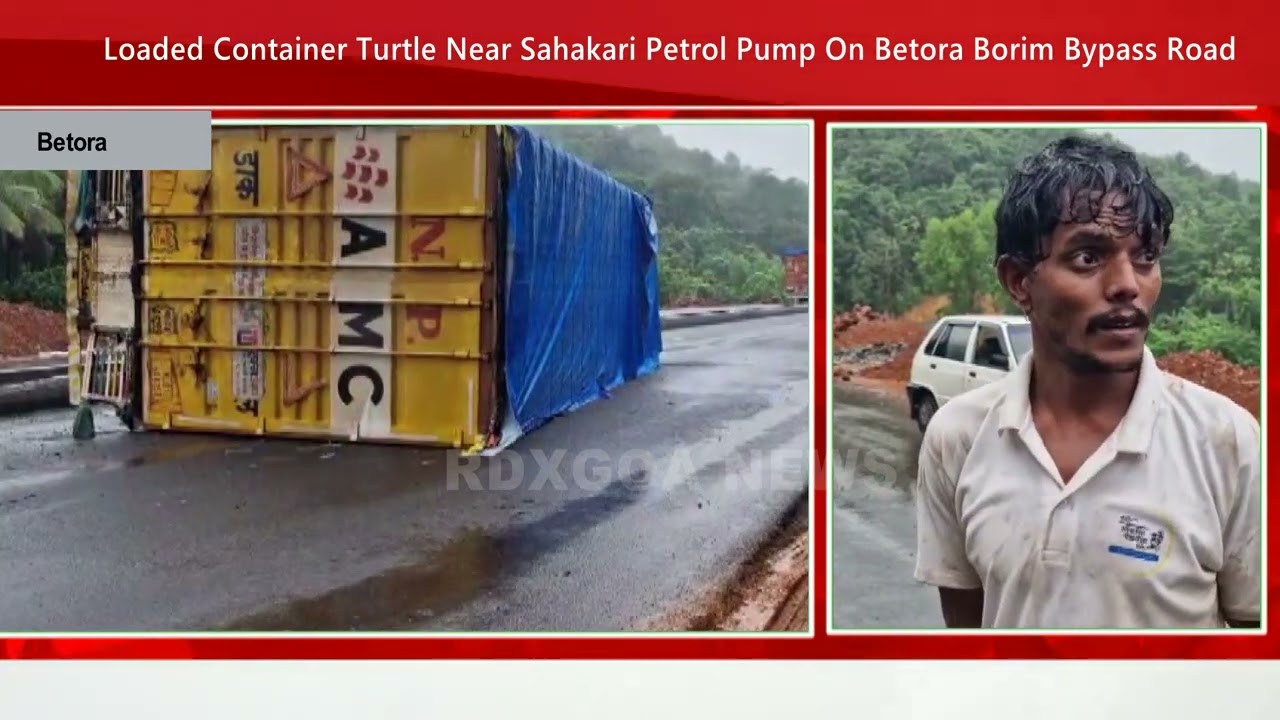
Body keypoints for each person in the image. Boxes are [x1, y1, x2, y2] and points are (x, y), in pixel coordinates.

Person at [912, 135, 1261, 629]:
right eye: (1088, 258)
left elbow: (1258, 653)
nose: (1127, 285)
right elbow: (970, 641)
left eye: (1145, 257)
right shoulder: (958, 438)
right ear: (1019, 281)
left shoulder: (1227, 441)